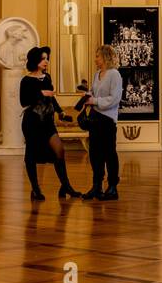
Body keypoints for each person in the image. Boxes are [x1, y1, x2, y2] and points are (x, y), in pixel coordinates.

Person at [19, 47, 81, 200]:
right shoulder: (26, 80)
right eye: (43, 59)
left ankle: (66, 187)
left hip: (47, 122)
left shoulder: (47, 78)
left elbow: (51, 98)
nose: (46, 61)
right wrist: (40, 93)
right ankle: (35, 190)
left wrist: (60, 112)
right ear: (35, 61)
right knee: (31, 156)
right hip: (32, 122)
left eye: (47, 58)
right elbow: (23, 101)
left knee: (59, 150)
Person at [82, 44, 123, 200]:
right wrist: (87, 95)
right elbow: (93, 92)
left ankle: (112, 187)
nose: (95, 59)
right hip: (95, 118)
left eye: (97, 56)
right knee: (94, 154)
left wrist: (95, 100)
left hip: (107, 119)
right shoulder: (97, 74)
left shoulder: (115, 75)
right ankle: (96, 187)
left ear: (105, 57)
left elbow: (114, 99)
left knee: (109, 153)